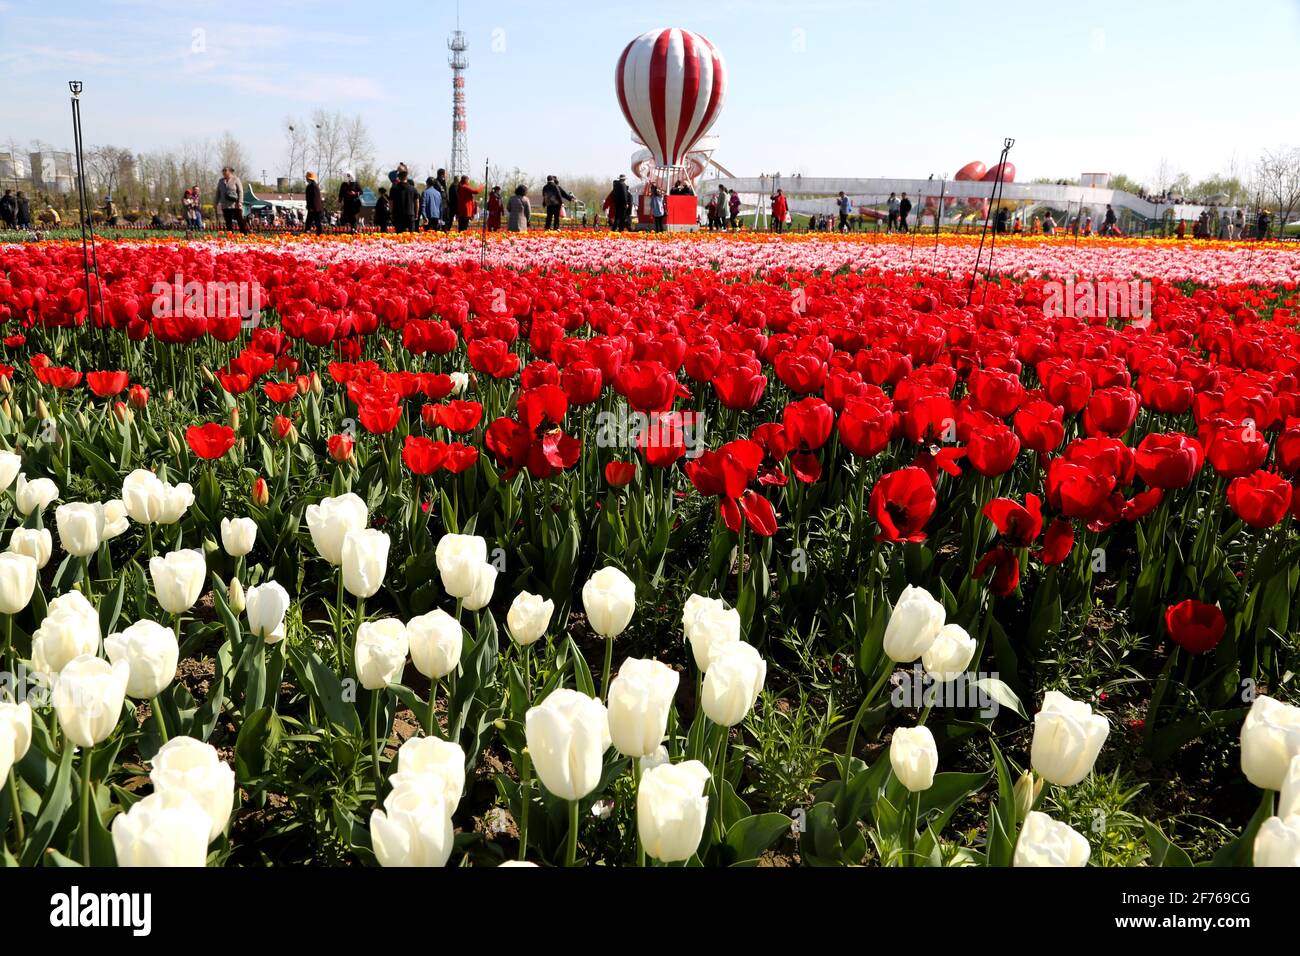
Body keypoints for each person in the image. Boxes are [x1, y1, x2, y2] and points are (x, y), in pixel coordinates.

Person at [215, 167, 248, 233]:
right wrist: (216, 202)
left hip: (235, 204)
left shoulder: (236, 179)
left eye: (225, 171)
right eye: (223, 171)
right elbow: (218, 192)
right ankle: (230, 235)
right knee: (228, 221)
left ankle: (244, 234)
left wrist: (240, 202)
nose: (223, 172)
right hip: (225, 204)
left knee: (240, 220)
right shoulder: (221, 181)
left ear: (230, 172)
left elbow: (240, 191)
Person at [390, 168, 417, 233]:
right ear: (406, 177)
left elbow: (391, 203)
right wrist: (416, 213)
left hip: (398, 215)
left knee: (399, 235)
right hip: (410, 214)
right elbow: (417, 202)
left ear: (398, 177)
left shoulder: (394, 189)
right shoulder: (413, 189)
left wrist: (391, 213)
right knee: (411, 235)